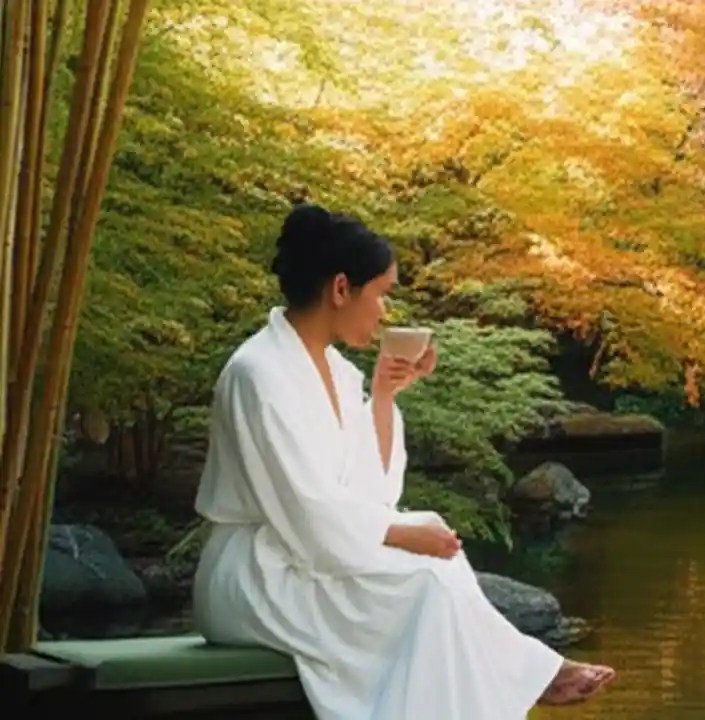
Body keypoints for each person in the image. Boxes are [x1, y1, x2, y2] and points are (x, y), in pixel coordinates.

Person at [191, 204, 614, 719]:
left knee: (438, 556)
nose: (385, 312)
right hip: (253, 575)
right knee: (427, 586)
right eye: (382, 294)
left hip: (306, 556)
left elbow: (370, 496)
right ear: (341, 289)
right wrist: (399, 536)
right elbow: (307, 510)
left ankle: (521, 672)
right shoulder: (259, 374)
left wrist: (386, 396)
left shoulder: (340, 374)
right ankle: (524, 672)